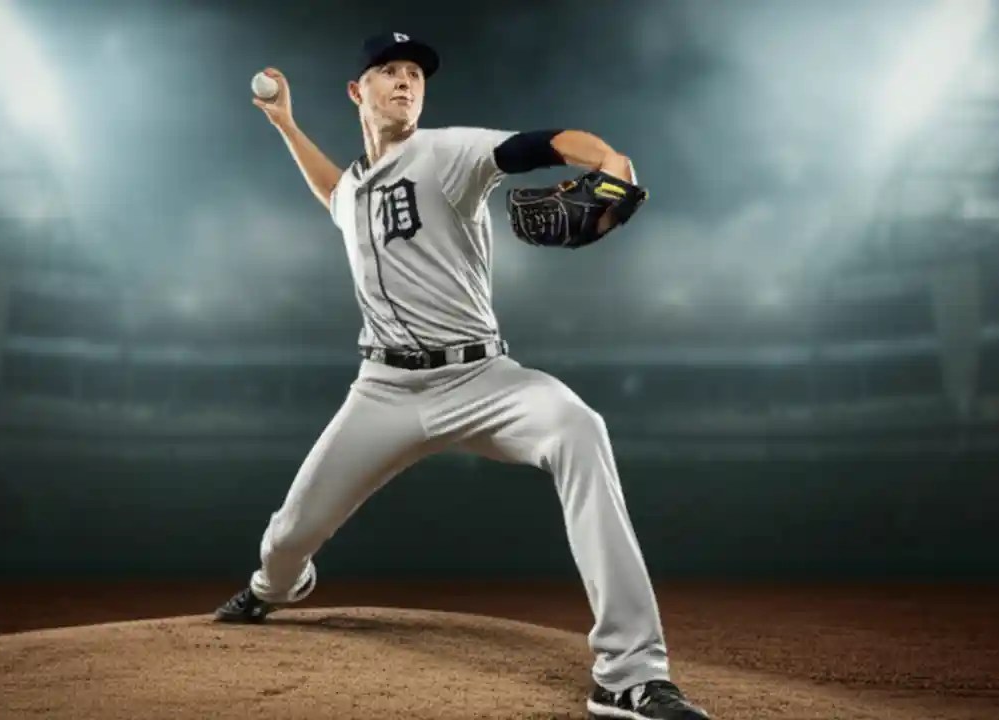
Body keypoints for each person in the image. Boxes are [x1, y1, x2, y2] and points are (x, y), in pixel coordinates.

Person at [214, 32, 711, 720]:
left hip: (483, 381)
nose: (404, 82)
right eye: (388, 71)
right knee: (287, 537)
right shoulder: (357, 189)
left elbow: (542, 144)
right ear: (358, 93)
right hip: (382, 393)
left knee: (579, 428)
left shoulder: (448, 153)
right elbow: (334, 191)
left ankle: (631, 672)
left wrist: (610, 161)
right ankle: (274, 588)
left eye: (414, 73)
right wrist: (286, 124)